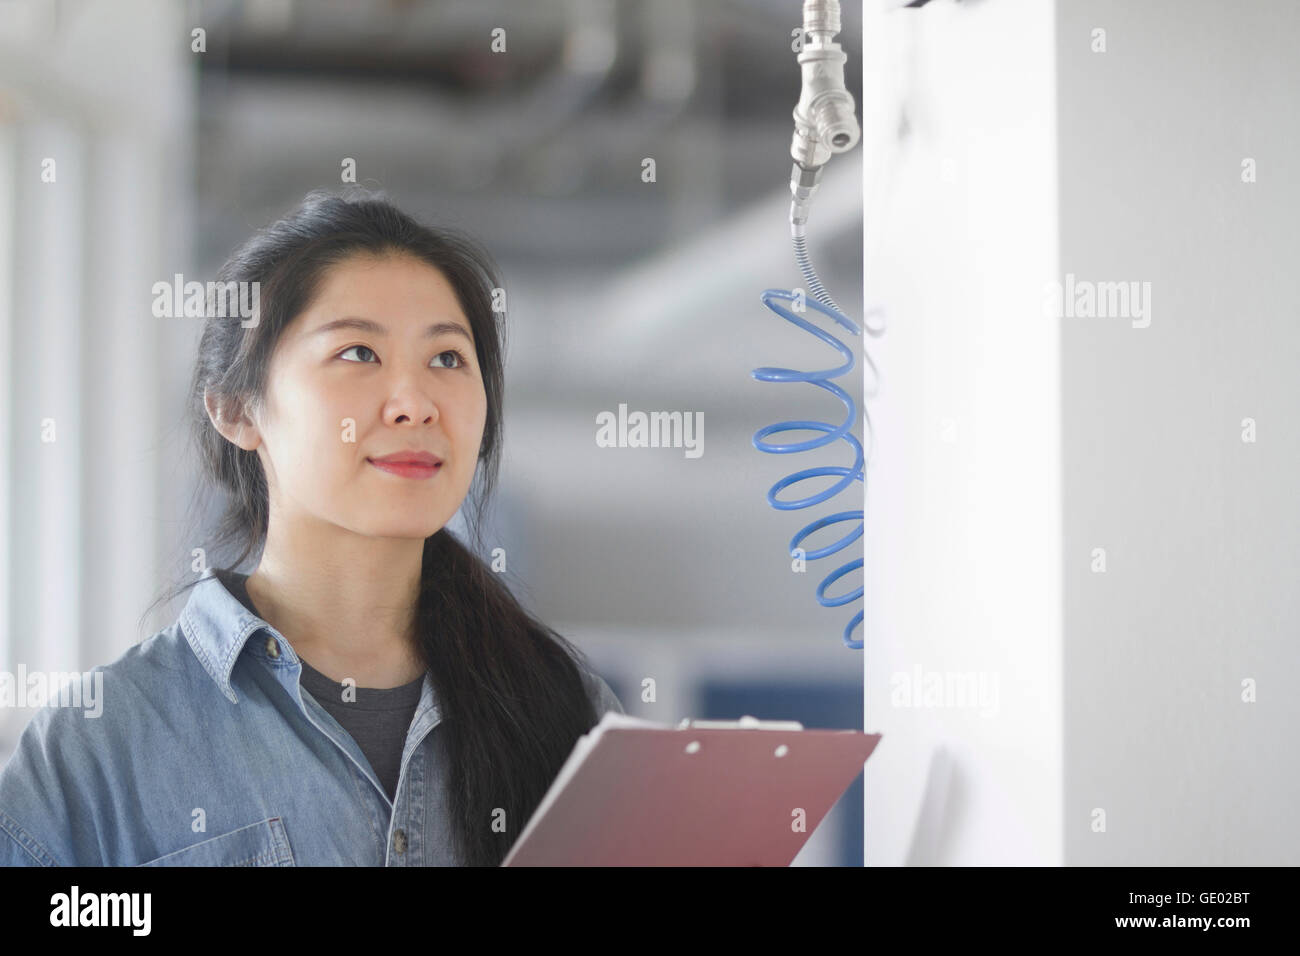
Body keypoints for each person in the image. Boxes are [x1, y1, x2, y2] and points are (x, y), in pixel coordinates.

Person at [0, 189, 624, 867]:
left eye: (447, 358)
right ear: (237, 410)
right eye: (358, 353)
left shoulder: (567, 707)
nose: (414, 403)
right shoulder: (99, 749)